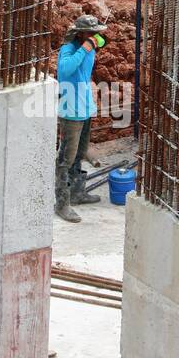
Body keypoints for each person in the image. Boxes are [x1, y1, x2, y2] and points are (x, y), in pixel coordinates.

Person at [55, 13, 107, 223]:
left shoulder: (91, 45)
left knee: (80, 153)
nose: (96, 37)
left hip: (85, 108)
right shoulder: (68, 50)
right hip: (71, 111)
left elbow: (100, 43)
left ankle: (77, 193)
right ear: (81, 34)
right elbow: (65, 70)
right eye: (91, 34)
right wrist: (86, 47)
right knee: (65, 159)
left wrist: (95, 43)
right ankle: (62, 204)